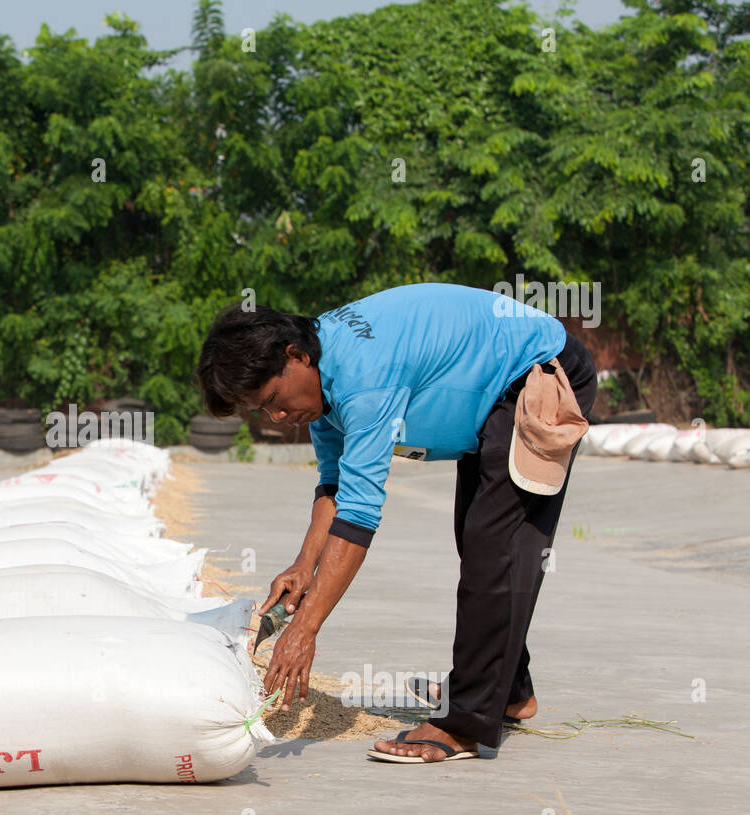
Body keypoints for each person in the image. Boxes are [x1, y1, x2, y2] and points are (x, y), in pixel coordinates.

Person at [194, 283, 596, 763]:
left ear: (295, 355)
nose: (279, 417)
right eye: (263, 411)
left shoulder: (363, 375)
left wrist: (306, 628)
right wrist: (304, 566)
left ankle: (466, 724)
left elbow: (361, 514)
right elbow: (335, 485)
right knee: (482, 543)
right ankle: (508, 690)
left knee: (495, 547)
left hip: (537, 374)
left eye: (275, 399)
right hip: (494, 393)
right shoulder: (323, 379)